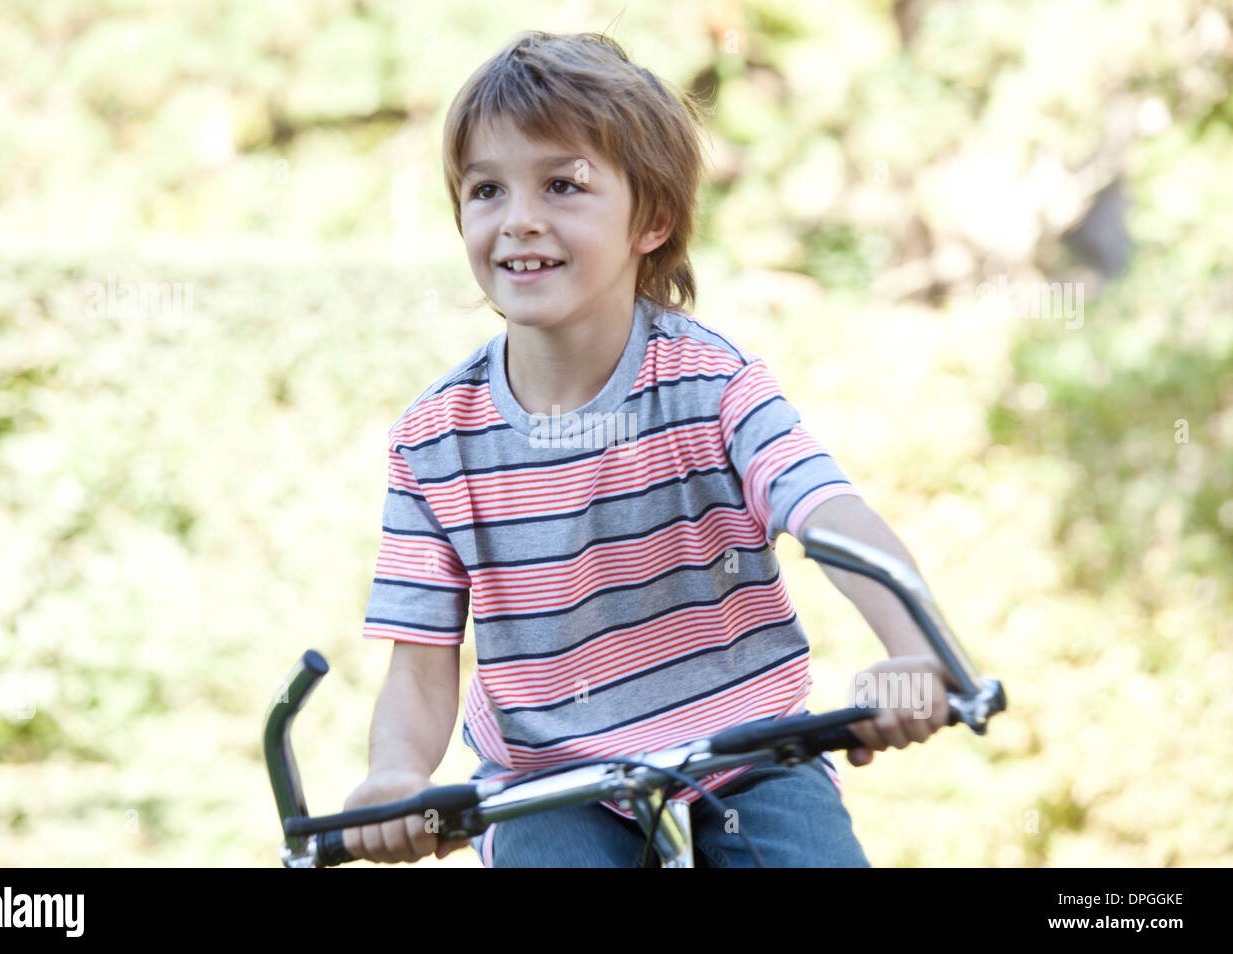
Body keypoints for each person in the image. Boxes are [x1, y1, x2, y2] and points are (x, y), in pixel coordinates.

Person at [342, 30, 954, 867]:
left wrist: (915, 648)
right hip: (553, 784)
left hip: (746, 758)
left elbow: (831, 516)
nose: (519, 219)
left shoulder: (713, 384)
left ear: (653, 219)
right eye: (487, 189)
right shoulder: (433, 441)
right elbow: (420, 664)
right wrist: (395, 775)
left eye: (563, 184)